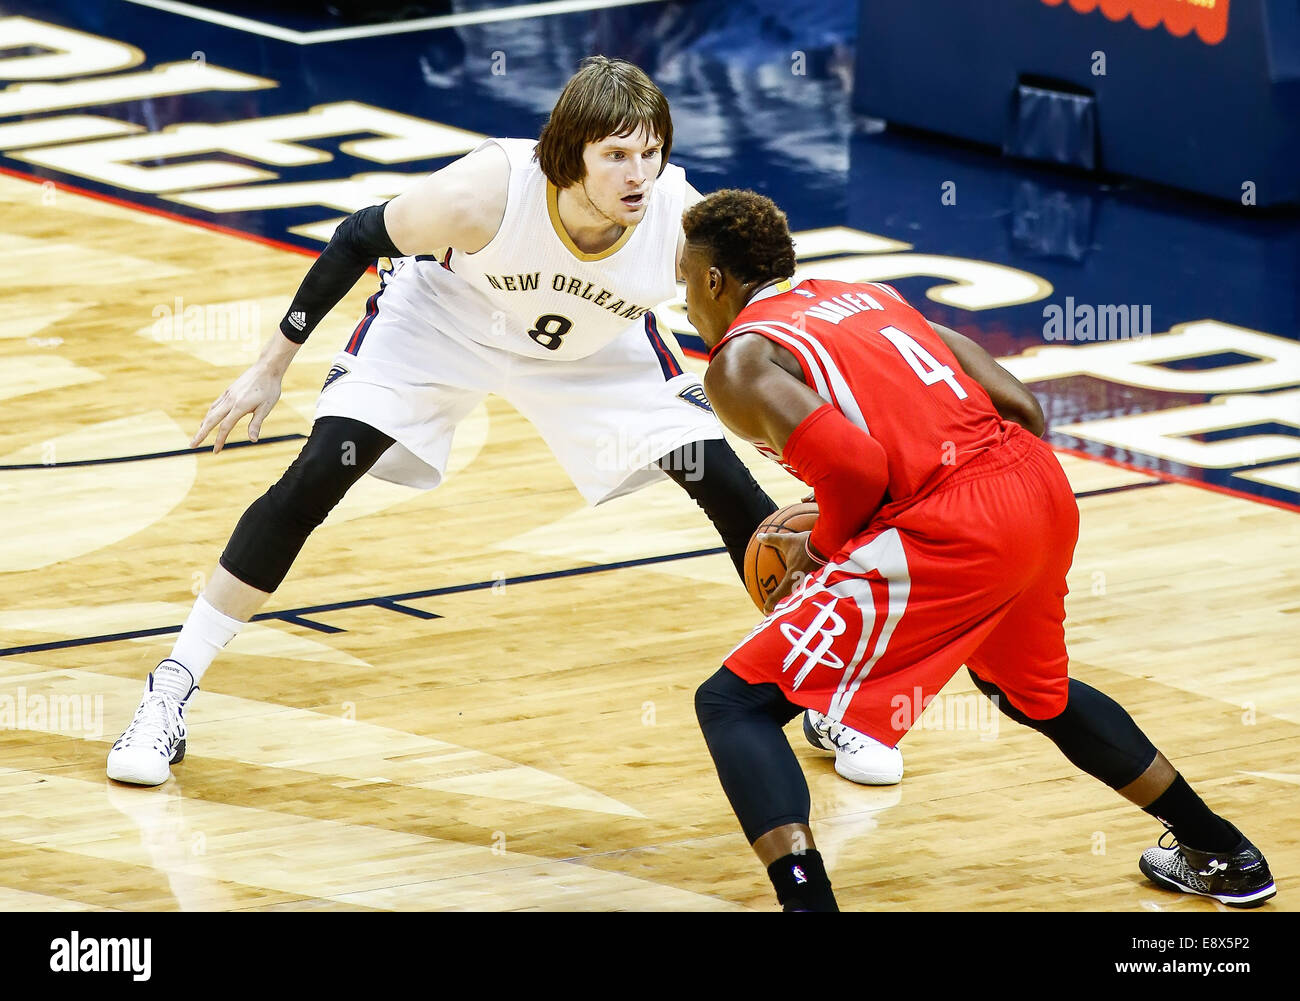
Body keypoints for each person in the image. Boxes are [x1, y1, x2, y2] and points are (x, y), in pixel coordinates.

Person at [105, 56, 787, 786]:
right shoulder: (483, 194)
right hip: (446, 321)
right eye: (616, 155)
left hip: (592, 345)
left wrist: (795, 420)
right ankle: (171, 685)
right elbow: (355, 237)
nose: (638, 175)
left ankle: (828, 685)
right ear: (570, 154)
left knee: (720, 477)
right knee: (318, 469)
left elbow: (766, 308)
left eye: (650, 153)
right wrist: (271, 364)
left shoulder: (678, 224)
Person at [681, 188, 1276, 911]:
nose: (685, 304)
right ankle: (1221, 849)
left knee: (733, 703)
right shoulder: (869, 296)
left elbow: (859, 470)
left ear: (716, 280)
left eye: (686, 281)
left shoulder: (740, 362)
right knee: (1033, 692)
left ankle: (809, 904)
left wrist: (821, 548)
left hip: (954, 526)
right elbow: (1021, 408)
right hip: (1036, 490)